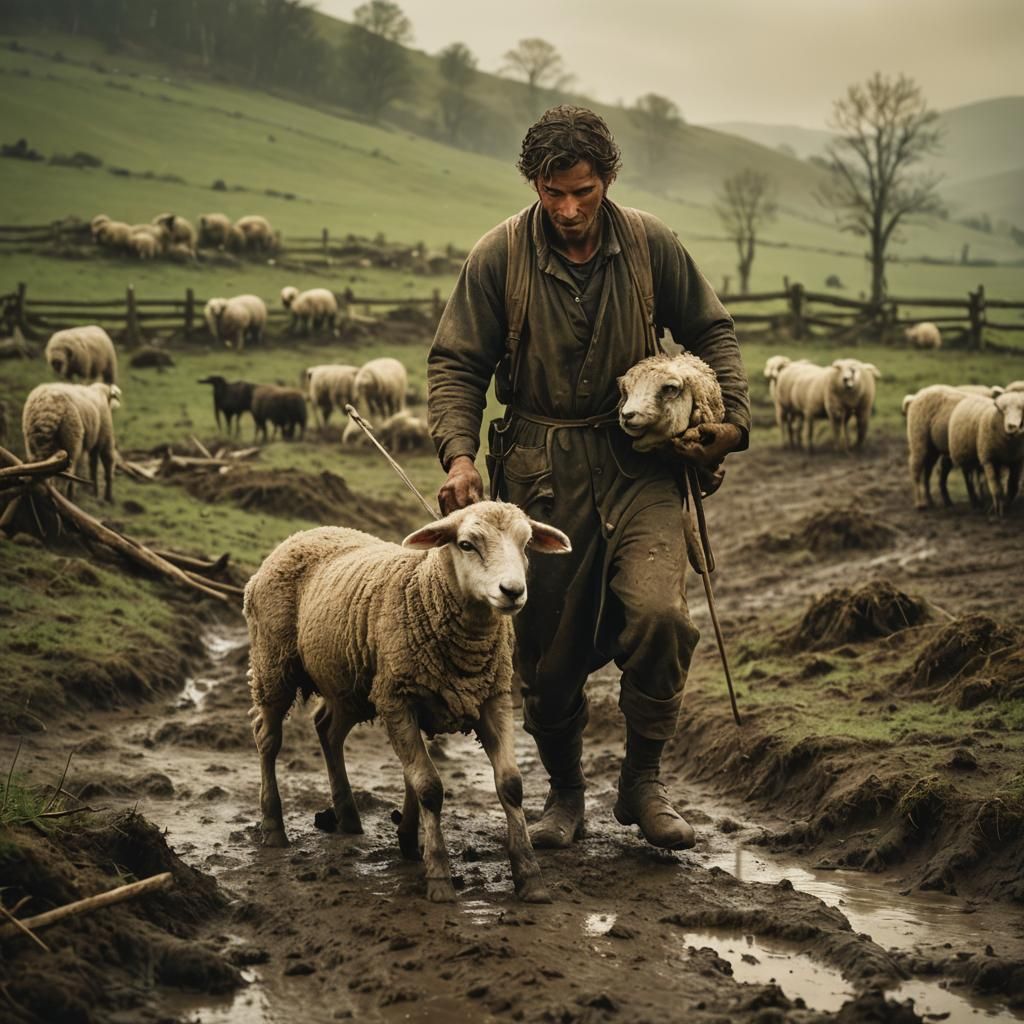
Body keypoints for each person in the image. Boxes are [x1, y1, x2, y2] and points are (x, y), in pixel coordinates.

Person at [426, 105, 750, 851]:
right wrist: (461, 456)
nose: (569, 211)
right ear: (532, 185)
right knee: (545, 655)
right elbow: (456, 364)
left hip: (640, 467)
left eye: (584, 192)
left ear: (608, 180)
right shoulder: (498, 257)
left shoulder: (649, 245)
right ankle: (565, 795)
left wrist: (726, 422)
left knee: (662, 618)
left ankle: (641, 786)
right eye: (552, 193)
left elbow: (712, 330)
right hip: (538, 474)